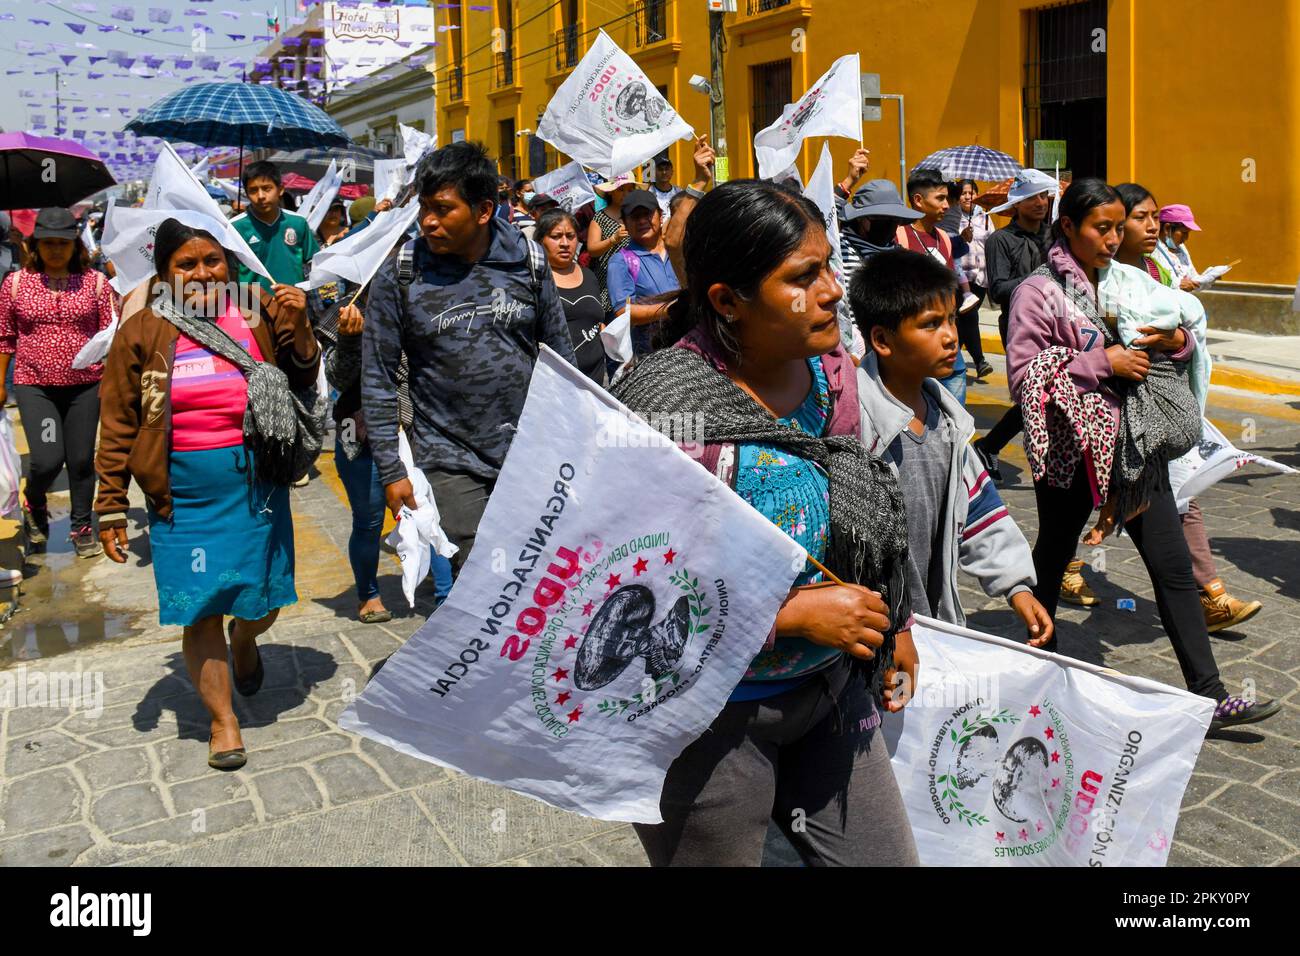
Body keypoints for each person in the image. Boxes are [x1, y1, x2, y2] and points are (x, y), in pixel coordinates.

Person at [610, 179, 918, 866]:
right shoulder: (663, 411)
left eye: (828, 266)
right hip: (702, 719)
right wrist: (790, 617)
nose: (833, 290)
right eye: (801, 277)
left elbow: (858, 511)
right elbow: (623, 594)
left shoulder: (831, 374)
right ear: (727, 301)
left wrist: (896, 626)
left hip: (829, 692)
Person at [1005, 179, 1279, 732]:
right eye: (1099, 228)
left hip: (1135, 447)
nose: (1111, 238)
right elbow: (1023, 376)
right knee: (1054, 559)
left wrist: (1175, 342)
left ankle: (1211, 694)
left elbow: (1184, 343)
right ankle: (1029, 671)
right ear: (1069, 228)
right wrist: (1103, 363)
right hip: (1071, 452)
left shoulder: (1133, 280)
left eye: (1115, 227)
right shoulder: (1038, 292)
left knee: (1173, 568)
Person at [96, 218, 321, 769]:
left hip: (255, 486)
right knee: (199, 611)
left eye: (212, 260)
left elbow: (303, 370)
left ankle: (245, 639)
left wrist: (303, 325)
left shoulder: (256, 310)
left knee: (262, 599)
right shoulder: (144, 329)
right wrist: (109, 504)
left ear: (228, 261)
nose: (202, 272)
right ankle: (224, 723)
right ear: (165, 274)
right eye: (187, 264)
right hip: (181, 497)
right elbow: (119, 418)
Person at [361, 142, 576, 577]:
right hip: (448, 460)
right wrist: (391, 469)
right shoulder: (400, 273)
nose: (428, 221)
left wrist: (576, 443)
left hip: (529, 455)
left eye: (442, 209)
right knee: (483, 578)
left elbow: (561, 361)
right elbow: (378, 377)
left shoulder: (528, 261)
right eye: (423, 208)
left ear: (483, 210)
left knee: (538, 577)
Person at [850, 248, 1053, 642]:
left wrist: (1017, 585)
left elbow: (980, 509)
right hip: (870, 627)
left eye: (950, 320)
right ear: (882, 340)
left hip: (931, 623)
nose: (950, 336)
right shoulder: (855, 421)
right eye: (930, 324)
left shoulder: (949, 421)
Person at [1115, 183, 1263, 634]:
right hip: (1117, 414)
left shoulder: (1156, 266)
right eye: (1141, 217)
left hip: (1164, 407)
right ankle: (1059, 570)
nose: (1152, 226)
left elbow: (1180, 331)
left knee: (1182, 496)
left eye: (1155, 216)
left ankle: (1210, 597)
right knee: (1081, 507)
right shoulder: (1097, 278)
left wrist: (1179, 342)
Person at [0, 208, 117, 557]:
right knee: (47, 460)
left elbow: (111, 333)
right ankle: (34, 502)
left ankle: (82, 528)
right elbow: (4, 336)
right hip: (36, 386)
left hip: (86, 386)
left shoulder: (96, 283)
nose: (55, 250)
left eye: (62, 244)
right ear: (36, 244)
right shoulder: (16, 283)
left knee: (81, 460)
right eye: (48, 243)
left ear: (74, 245)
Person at [308, 279, 393, 625]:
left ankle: (445, 588)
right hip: (358, 429)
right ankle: (369, 593)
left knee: (429, 510)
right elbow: (338, 378)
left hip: (417, 424)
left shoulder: (422, 301)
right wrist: (350, 339)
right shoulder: (344, 311)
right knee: (370, 518)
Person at [897, 169, 969, 403]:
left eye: (947, 198)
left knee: (956, 421)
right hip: (918, 344)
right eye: (940, 198)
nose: (947, 205)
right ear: (918, 200)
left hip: (949, 341)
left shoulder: (944, 238)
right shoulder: (900, 236)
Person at [604, 189, 680, 357]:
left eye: (647, 214)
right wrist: (670, 309)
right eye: (634, 217)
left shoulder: (677, 250)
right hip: (653, 356)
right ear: (624, 222)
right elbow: (623, 312)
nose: (642, 221)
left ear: (660, 216)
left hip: (691, 349)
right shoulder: (621, 261)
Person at [536, 208, 606, 385]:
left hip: (595, 382)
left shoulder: (589, 275)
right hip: (554, 384)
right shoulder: (535, 280)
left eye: (570, 236)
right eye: (556, 236)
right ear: (540, 241)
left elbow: (595, 320)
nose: (565, 243)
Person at [230, 161, 320, 293]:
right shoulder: (234, 227)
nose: (260, 196)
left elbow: (313, 264)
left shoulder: (298, 223)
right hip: (251, 306)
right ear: (246, 193)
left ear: (281, 189)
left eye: (267, 188)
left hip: (293, 303)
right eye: (253, 190)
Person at [946, 179, 995, 379]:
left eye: (970, 192)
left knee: (964, 318)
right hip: (959, 277)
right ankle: (979, 360)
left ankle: (954, 356)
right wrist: (962, 235)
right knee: (969, 315)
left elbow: (991, 243)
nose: (967, 196)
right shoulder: (952, 214)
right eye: (963, 193)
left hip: (980, 276)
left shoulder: (984, 217)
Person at [587, 173, 636, 310]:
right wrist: (613, 240)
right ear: (611, 192)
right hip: (608, 280)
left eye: (630, 190)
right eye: (621, 189)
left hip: (635, 276)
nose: (626, 194)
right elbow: (592, 249)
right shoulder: (600, 217)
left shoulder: (636, 215)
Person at [1152, 204, 1214, 292]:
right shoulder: (1152, 250)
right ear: (1167, 228)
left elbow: (1192, 278)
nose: (1186, 238)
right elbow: (1152, 281)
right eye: (1184, 232)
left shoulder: (1181, 248)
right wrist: (1177, 285)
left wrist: (1208, 277)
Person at [648, 154, 680, 221]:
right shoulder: (648, 193)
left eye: (667, 169)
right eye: (660, 169)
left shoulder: (679, 192)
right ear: (653, 172)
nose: (664, 172)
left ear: (672, 172)